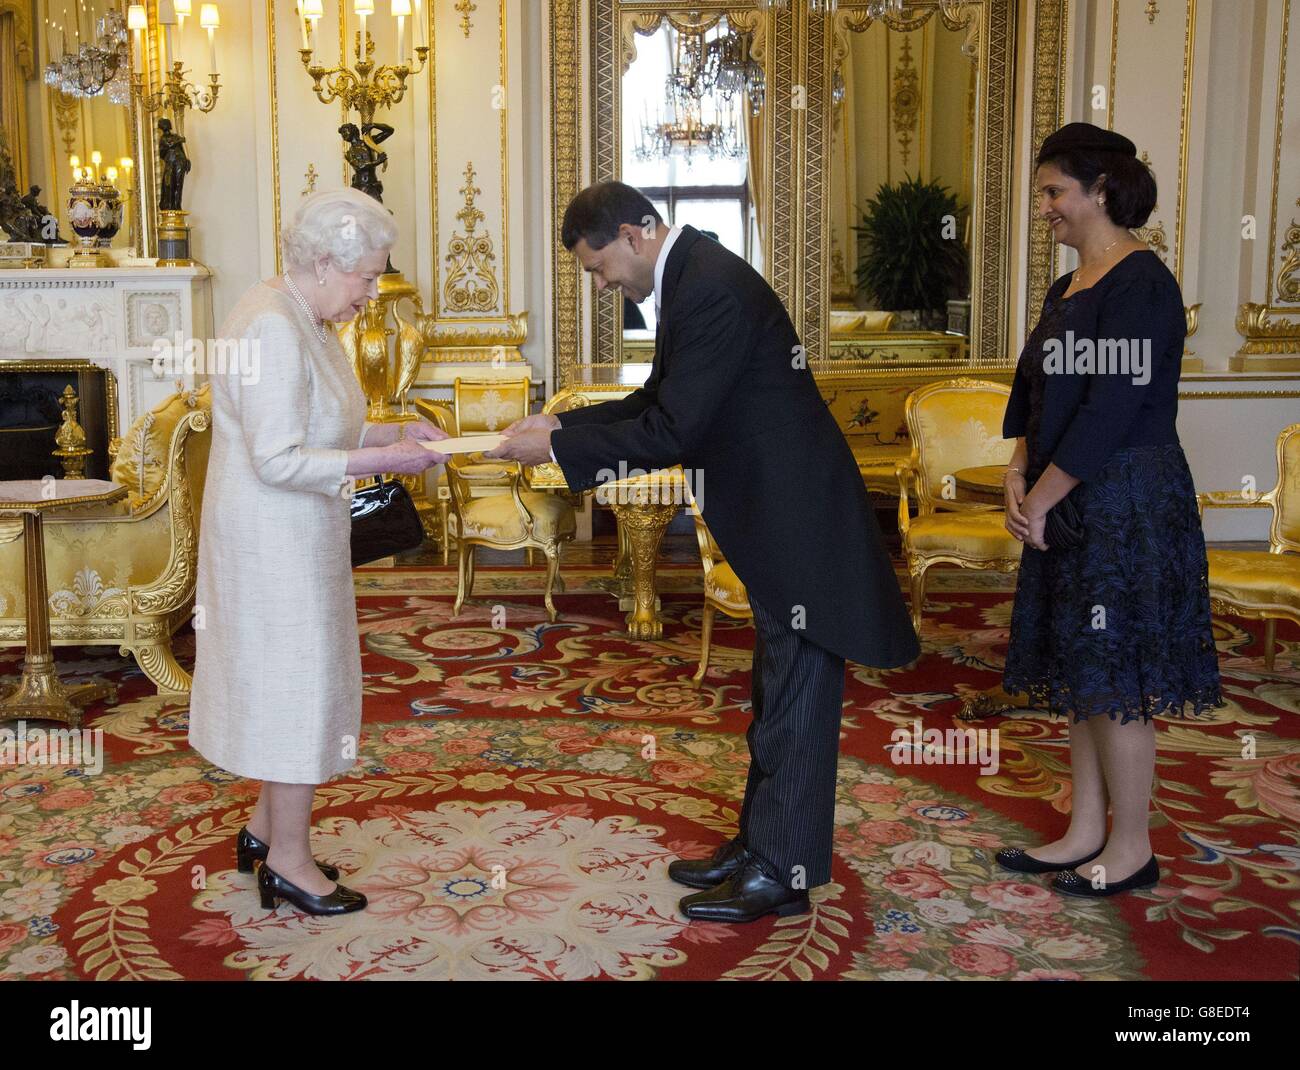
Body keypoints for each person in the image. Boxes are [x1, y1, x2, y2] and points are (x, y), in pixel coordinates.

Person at [488, 181, 919, 923]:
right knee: (776, 688)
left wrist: (559, 443)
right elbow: (659, 400)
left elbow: (671, 431)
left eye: (598, 268)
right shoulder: (694, 276)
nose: (601, 285)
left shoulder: (707, 287)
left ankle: (781, 872)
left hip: (798, 522)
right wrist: (562, 423)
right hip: (779, 516)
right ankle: (761, 846)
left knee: (798, 694)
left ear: (636, 232)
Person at [188, 189, 449, 916]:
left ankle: (264, 830)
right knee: (297, 690)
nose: (372, 291)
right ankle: (290, 864)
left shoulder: (304, 315)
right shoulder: (273, 326)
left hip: (296, 532)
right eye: (367, 277)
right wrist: (385, 461)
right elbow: (277, 459)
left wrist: (393, 432)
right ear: (327, 262)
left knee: (291, 682)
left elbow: (323, 425)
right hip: (272, 540)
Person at [996, 123, 1221, 898]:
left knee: (1116, 672)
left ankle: (1132, 847)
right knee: (1083, 670)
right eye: (1041, 193)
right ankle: (1084, 830)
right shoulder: (1067, 288)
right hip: (1065, 497)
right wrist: (1017, 469)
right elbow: (1036, 388)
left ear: (1100, 192)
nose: (1044, 209)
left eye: (1054, 192)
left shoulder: (1143, 284)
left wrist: (1043, 497)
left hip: (1124, 500)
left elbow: (1112, 409)